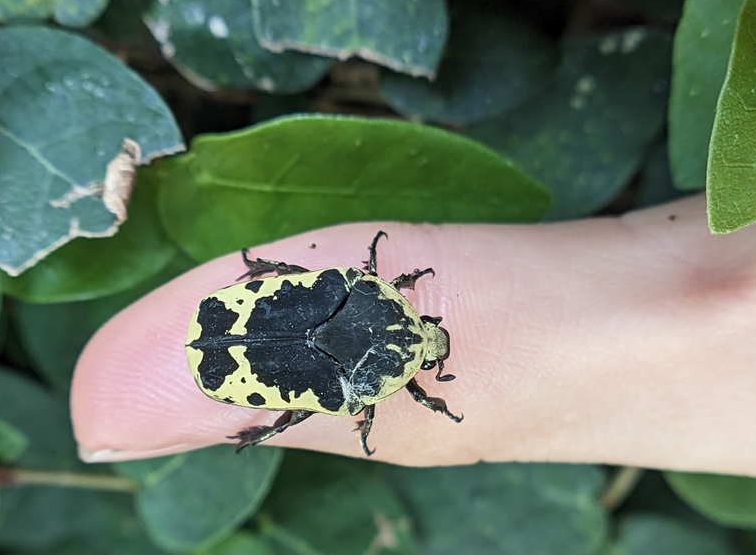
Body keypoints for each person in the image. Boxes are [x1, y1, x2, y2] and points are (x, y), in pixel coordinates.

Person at [70, 192, 756, 474]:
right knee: (289, 413)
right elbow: (394, 378)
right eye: (430, 333)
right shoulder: (365, 377)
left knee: (300, 305)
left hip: (232, 335)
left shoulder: (365, 293)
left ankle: (250, 420)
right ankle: (251, 431)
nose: (432, 339)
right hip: (231, 350)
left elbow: (365, 281)